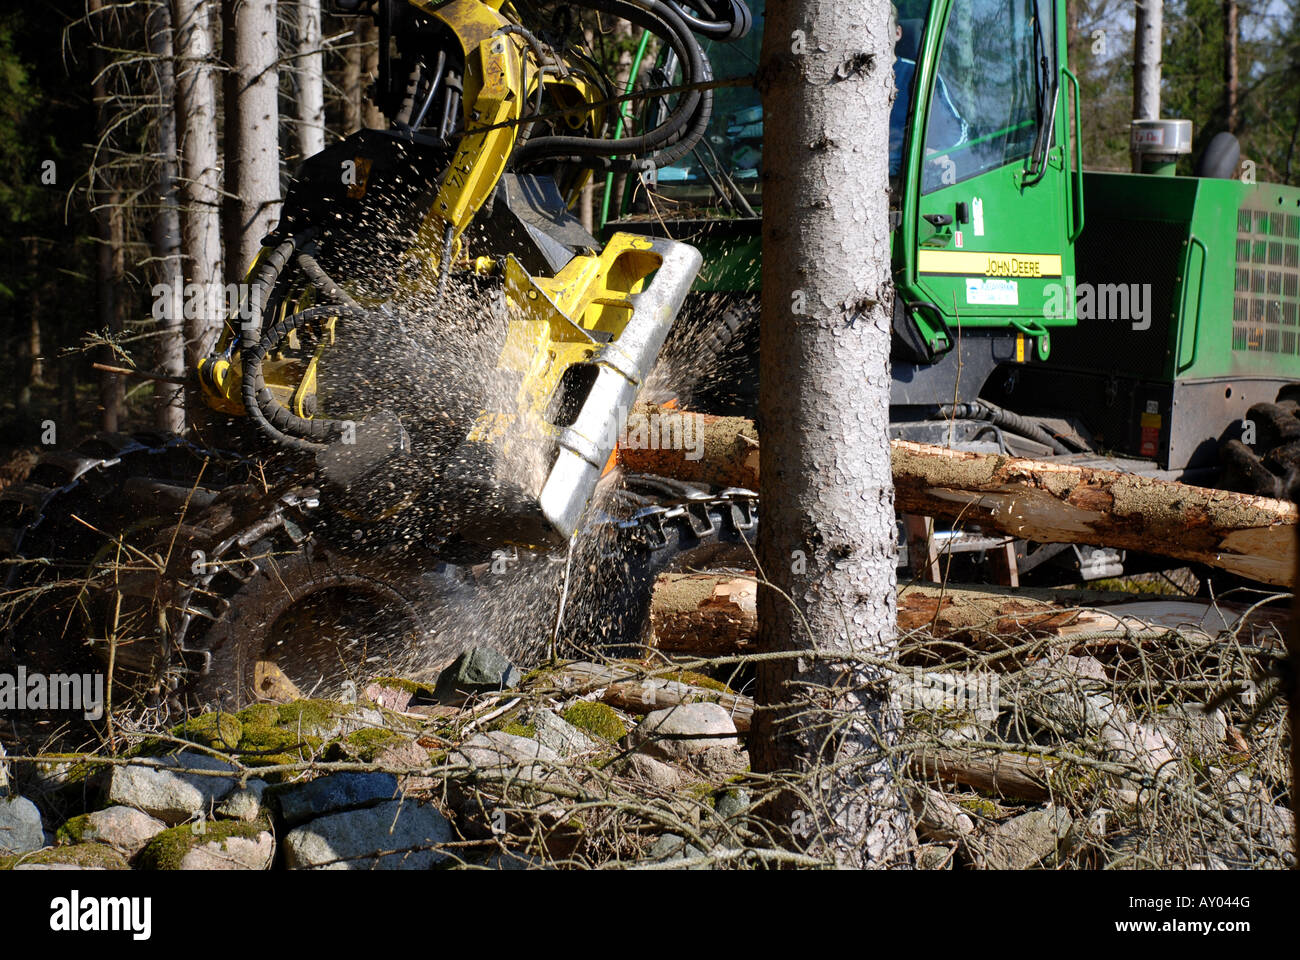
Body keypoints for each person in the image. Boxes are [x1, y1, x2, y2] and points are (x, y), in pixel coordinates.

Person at [889, 3, 968, 178]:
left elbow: (958, 131)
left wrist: (940, 153)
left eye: (880, 28)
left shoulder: (918, 77)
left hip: (906, 181)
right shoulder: (843, 85)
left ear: (897, 33)